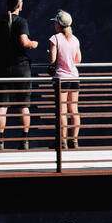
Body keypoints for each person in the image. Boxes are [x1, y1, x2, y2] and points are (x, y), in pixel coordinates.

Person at [0, 0, 39, 150]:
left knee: (2, 105)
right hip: (21, 67)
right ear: (20, 5)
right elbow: (24, 42)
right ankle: (24, 140)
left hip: (3, 66)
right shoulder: (21, 22)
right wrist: (33, 44)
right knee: (23, 105)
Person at [49, 9, 81, 149]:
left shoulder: (55, 38)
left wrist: (50, 52)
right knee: (73, 109)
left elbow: (52, 59)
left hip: (61, 77)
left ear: (58, 25)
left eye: (55, 22)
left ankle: (62, 141)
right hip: (74, 77)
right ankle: (74, 140)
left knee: (62, 110)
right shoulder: (75, 39)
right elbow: (78, 60)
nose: (54, 24)